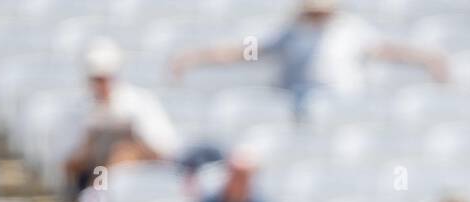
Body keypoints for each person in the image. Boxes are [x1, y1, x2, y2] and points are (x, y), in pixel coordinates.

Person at [170, 0, 447, 120]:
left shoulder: (351, 29)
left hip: (343, 106)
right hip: (300, 106)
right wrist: (197, 58)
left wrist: (426, 59)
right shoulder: (290, 31)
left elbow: (387, 50)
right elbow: (245, 51)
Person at [63, 40, 179, 202]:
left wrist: (132, 141)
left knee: (122, 153)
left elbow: (165, 149)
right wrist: (90, 144)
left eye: (106, 78)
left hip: (139, 179)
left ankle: (101, 194)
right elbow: (69, 162)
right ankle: (98, 195)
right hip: (95, 174)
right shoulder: (78, 110)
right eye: (97, 79)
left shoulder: (140, 103)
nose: (103, 86)